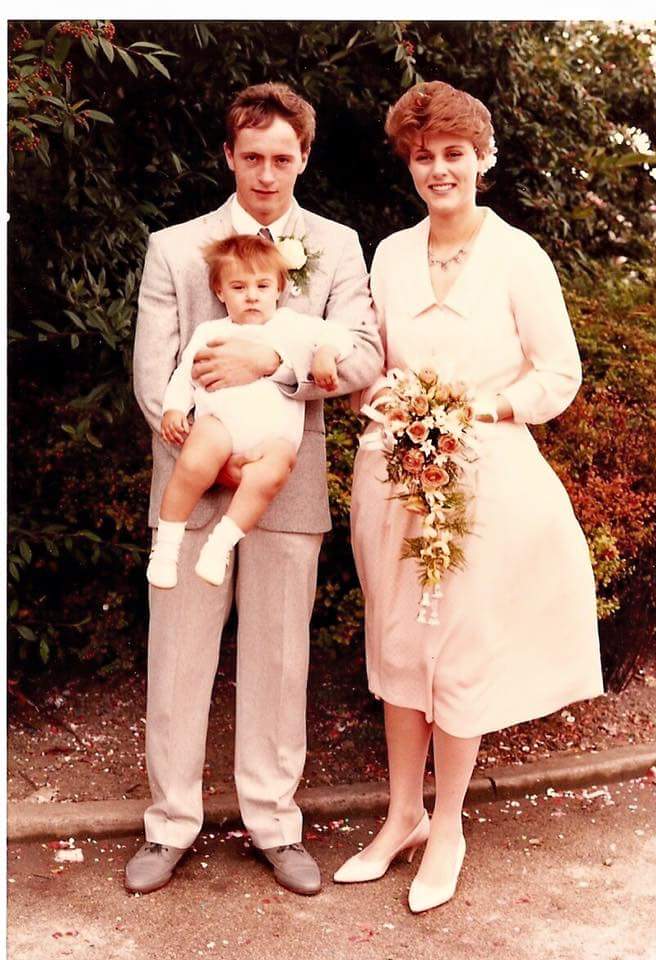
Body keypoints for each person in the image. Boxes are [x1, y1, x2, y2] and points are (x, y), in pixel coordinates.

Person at [335, 80, 603, 913]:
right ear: (409, 165)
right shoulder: (389, 253)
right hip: (394, 474)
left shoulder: (519, 255)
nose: (439, 169)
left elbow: (558, 373)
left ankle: (447, 823)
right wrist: (379, 397)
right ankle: (402, 815)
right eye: (424, 156)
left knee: (459, 651)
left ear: (482, 159)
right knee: (399, 647)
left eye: (454, 153)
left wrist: (479, 408)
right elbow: (370, 362)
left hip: (483, 480)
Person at [129, 82, 382, 896]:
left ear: (303, 156)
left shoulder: (336, 246)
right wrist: (214, 451)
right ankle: (169, 824)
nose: (267, 175)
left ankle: (274, 822)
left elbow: (364, 355)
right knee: (178, 656)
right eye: (252, 158)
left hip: (288, 481)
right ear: (228, 156)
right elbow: (153, 376)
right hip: (194, 479)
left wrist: (273, 362)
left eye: (282, 158)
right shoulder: (176, 248)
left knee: (278, 658)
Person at [146, 234, 354, 590]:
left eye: (262, 285)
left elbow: (340, 336)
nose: (252, 295)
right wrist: (174, 409)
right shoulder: (210, 331)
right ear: (220, 292)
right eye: (239, 287)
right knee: (195, 458)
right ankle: (166, 547)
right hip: (220, 425)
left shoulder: (293, 325)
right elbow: (184, 374)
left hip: (274, 439)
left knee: (274, 471)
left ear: (279, 288)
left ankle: (220, 544)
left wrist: (324, 354)